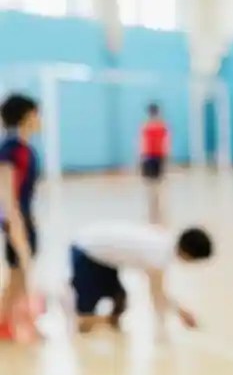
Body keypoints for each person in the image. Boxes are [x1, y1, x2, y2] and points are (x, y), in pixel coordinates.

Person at [67, 220, 212, 335]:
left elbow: (157, 293)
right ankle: (76, 314)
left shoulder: (165, 239)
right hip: (87, 252)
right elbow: (158, 295)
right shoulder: (159, 253)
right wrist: (179, 317)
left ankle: (100, 322)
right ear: (188, 255)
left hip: (99, 253)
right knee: (84, 320)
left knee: (120, 301)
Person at [0, 93, 42, 342]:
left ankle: (11, 325)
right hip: (14, 221)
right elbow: (6, 197)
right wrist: (16, 230)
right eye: (37, 114)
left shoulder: (28, 150)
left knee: (19, 275)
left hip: (26, 219)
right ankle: (18, 324)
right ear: (27, 116)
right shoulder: (10, 150)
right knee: (19, 273)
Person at [139, 102, 170, 224]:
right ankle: (154, 209)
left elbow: (164, 142)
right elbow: (144, 143)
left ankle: (156, 209)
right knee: (152, 185)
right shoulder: (149, 126)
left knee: (156, 185)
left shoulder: (158, 126)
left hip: (156, 156)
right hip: (151, 156)